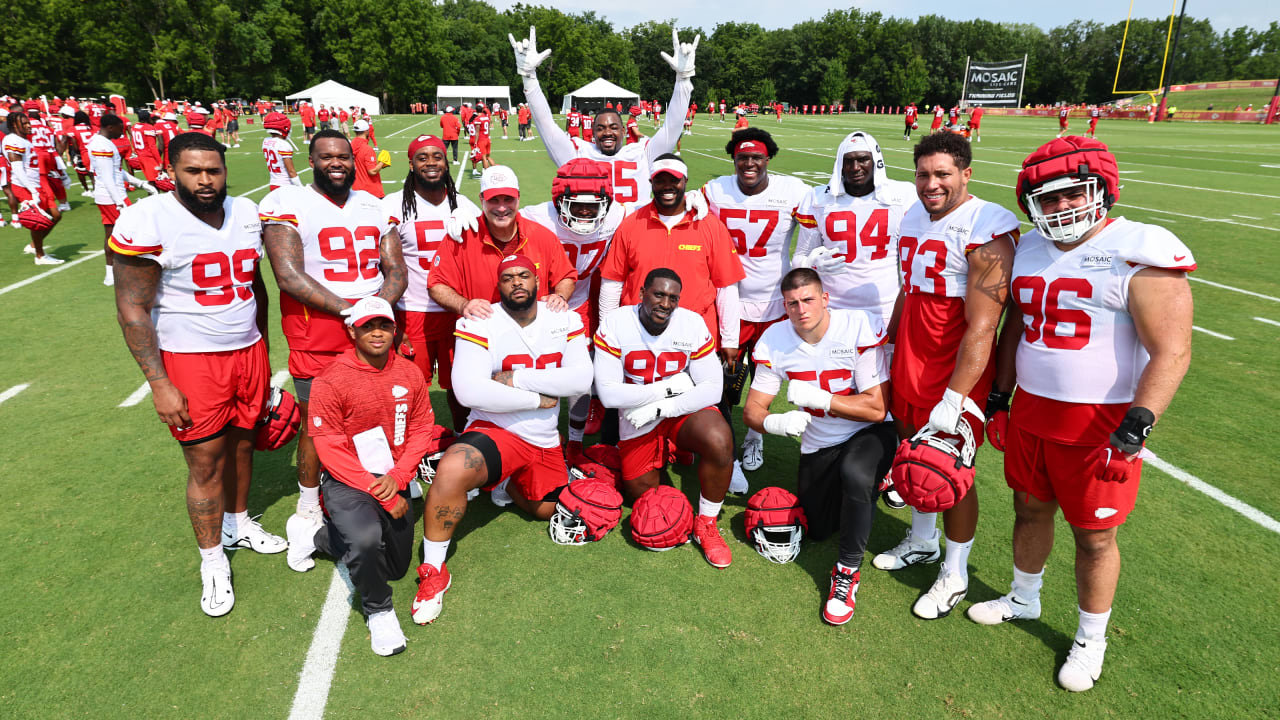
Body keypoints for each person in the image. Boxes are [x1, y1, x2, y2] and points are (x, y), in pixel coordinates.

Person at [967, 137, 1194, 692]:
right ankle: (1023, 597)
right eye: (1048, 199)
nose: (1061, 208)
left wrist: (1140, 420)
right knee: (1028, 509)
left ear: (1101, 191)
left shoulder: (1139, 247)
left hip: (1100, 423)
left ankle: (1091, 638)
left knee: (1094, 537)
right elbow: (1017, 325)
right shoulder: (1032, 250)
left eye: (1071, 194)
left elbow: (1173, 349)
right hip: (1032, 415)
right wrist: (1000, 395)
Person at [110, 131, 283, 618]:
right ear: (172, 172)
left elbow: (256, 289)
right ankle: (211, 560)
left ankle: (239, 521)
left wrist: (264, 352)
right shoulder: (149, 219)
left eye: (214, 170)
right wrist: (159, 382)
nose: (205, 180)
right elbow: (132, 308)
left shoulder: (247, 213)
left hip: (245, 350)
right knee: (205, 462)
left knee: (245, 441)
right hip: (190, 357)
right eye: (194, 171)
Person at [873, 131, 1019, 621]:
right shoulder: (913, 215)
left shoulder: (986, 224)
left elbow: (984, 324)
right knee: (912, 453)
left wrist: (956, 396)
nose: (931, 183)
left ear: (966, 174)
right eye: (923, 173)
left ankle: (955, 573)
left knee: (951, 469)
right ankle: (921, 540)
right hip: (912, 354)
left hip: (957, 364)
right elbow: (907, 289)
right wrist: (888, 344)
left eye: (942, 174)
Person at [411, 255, 593, 625]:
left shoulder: (564, 319)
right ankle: (433, 571)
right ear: (499, 285)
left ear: (538, 280)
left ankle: (505, 481)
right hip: (498, 431)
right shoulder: (480, 321)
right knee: (453, 470)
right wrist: (536, 397)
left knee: (547, 510)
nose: (516, 282)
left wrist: (512, 377)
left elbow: (579, 380)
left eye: (524, 275)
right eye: (507, 277)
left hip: (543, 439)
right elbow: (467, 390)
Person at [259, 129, 407, 529]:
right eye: (326, 157)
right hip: (318, 329)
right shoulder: (288, 202)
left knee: (374, 411)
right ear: (311, 161)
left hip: (371, 325)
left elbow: (396, 270)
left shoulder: (374, 206)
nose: (336, 163)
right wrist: (354, 311)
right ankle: (308, 504)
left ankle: (371, 484)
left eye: (342, 155)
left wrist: (376, 309)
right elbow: (288, 276)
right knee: (317, 422)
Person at [743, 268, 896, 624]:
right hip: (819, 443)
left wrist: (822, 399)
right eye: (792, 303)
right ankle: (869, 483)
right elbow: (753, 410)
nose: (801, 309)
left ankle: (846, 572)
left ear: (825, 299)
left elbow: (876, 408)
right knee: (818, 527)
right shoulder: (775, 339)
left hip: (869, 433)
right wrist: (775, 422)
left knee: (856, 475)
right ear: (785, 306)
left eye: (808, 299)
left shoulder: (856, 327)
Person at [287, 296, 438, 656]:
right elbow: (331, 450)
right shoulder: (330, 380)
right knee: (367, 541)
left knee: (395, 566)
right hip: (346, 480)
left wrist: (399, 476)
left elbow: (422, 426)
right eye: (367, 325)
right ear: (351, 329)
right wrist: (383, 492)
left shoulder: (409, 372)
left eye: (384, 325)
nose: (377, 332)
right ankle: (379, 611)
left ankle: (318, 538)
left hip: (393, 477)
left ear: (394, 328)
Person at [594, 268, 735, 567]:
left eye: (673, 298)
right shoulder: (617, 322)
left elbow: (713, 388)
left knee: (719, 439)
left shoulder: (691, 323)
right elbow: (608, 395)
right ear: (642, 292)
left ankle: (707, 524)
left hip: (675, 410)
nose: (666, 304)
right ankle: (672, 449)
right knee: (641, 497)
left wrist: (663, 407)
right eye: (659, 294)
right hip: (635, 417)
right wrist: (668, 387)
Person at [699, 129, 807, 477]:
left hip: (775, 303)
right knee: (721, 379)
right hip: (727, 302)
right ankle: (722, 441)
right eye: (742, 157)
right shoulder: (715, 190)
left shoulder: (792, 191)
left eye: (756, 157)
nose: (749, 163)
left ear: (767, 160)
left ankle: (755, 437)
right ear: (734, 159)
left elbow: (826, 211)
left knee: (765, 377)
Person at [512, 26, 698, 213]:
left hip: (636, 233)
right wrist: (529, 78)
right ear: (592, 134)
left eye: (613, 127)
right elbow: (546, 126)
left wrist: (683, 80)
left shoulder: (643, 153)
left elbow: (672, 127)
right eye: (600, 128)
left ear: (624, 131)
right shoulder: (579, 154)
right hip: (594, 235)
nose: (607, 132)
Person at [518, 158, 625, 457]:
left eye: (594, 205)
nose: (585, 212)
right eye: (575, 204)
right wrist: (464, 211)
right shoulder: (538, 216)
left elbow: (655, 210)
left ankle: (576, 439)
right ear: (558, 201)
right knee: (538, 370)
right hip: (545, 303)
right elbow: (498, 214)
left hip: (584, 301)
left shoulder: (617, 214)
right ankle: (534, 431)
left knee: (584, 372)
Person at [598, 155, 744, 358]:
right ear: (651, 183)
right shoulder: (631, 225)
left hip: (695, 338)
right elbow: (612, 283)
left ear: (685, 181)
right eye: (660, 180)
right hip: (637, 335)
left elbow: (726, 287)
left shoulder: (710, 225)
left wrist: (730, 340)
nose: (667, 186)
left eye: (674, 180)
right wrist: (606, 332)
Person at [385, 134, 480, 432]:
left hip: (456, 312)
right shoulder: (391, 205)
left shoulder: (463, 204)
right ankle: (414, 449)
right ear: (411, 164)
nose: (431, 163)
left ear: (445, 162)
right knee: (410, 388)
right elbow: (383, 266)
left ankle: (465, 441)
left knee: (462, 387)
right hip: (412, 311)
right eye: (422, 157)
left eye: (437, 156)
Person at [429, 165, 576, 327]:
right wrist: (464, 305)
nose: (501, 208)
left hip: (533, 335)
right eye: (493, 200)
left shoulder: (543, 236)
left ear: (518, 198)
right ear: (481, 200)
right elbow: (437, 284)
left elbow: (565, 276)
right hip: (482, 336)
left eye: (508, 199)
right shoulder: (461, 238)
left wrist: (560, 296)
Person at [91, 114, 156, 285]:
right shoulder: (101, 144)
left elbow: (117, 171)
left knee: (111, 235)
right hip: (112, 196)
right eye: (121, 128)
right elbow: (106, 176)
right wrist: (119, 202)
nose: (123, 131)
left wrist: (140, 183)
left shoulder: (104, 142)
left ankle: (110, 273)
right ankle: (132, 272)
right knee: (132, 233)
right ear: (110, 127)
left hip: (109, 195)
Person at [4, 110, 63, 264]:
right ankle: (40, 255)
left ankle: (34, 246)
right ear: (13, 125)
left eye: (28, 122)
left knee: (55, 215)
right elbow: (17, 168)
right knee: (37, 221)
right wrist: (32, 190)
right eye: (24, 123)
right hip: (24, 186)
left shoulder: (25, 140)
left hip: (36, 184)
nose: (29, 125)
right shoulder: (12, 140)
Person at [262, 112, 302, 190]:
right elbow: (291, 171)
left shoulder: (265, 141)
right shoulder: (283, 144)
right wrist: (301, 187)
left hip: (273, 183)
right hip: (285, 185)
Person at [350, 119, 387, 198]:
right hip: (371, 192)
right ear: (367, 131)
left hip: (357, 190)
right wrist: (382, 162)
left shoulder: (350, 146)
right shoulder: (367, 149)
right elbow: (372, 171)